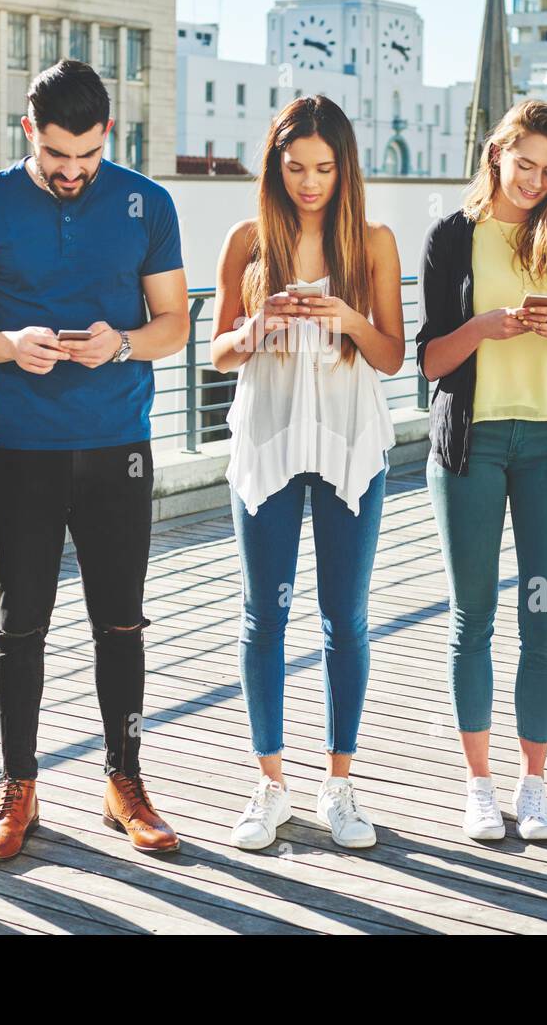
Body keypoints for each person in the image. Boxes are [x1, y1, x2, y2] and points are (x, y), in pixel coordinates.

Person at [0, 59, 189, 862]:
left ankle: (126, 780)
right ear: (27, 133)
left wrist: (122, 343)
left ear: (107, 134)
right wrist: (7, 344)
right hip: (21, 448)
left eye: (86, 155)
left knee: (121, 622)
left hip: (120, 443)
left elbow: (175, 323)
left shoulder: (150, 203)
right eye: (56, 156)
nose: (72, 171)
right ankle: (20, 786)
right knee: (20, 627)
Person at [211, 95, 404, 852]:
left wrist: (345, 317)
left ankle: (340, 783)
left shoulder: (375, 242)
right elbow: (216, 352)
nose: (310, 181)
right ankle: (270, 784)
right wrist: (259, 328)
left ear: (344, 167)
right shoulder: (247, 239)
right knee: (264, 614)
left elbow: (390, 355)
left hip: (352, 442)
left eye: (324, 167)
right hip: (268, 440)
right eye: (295, 167)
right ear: (275, 165)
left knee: (343, 616)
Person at [416, 98, 547, 843]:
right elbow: (429, 360)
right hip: (472, 445)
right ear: (496, 152)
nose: (532, 180)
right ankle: (478, 784)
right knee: (472, 619)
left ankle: (533, 784)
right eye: (522, 162)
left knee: (545, 620)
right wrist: (483, 327)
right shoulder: (452, 237)